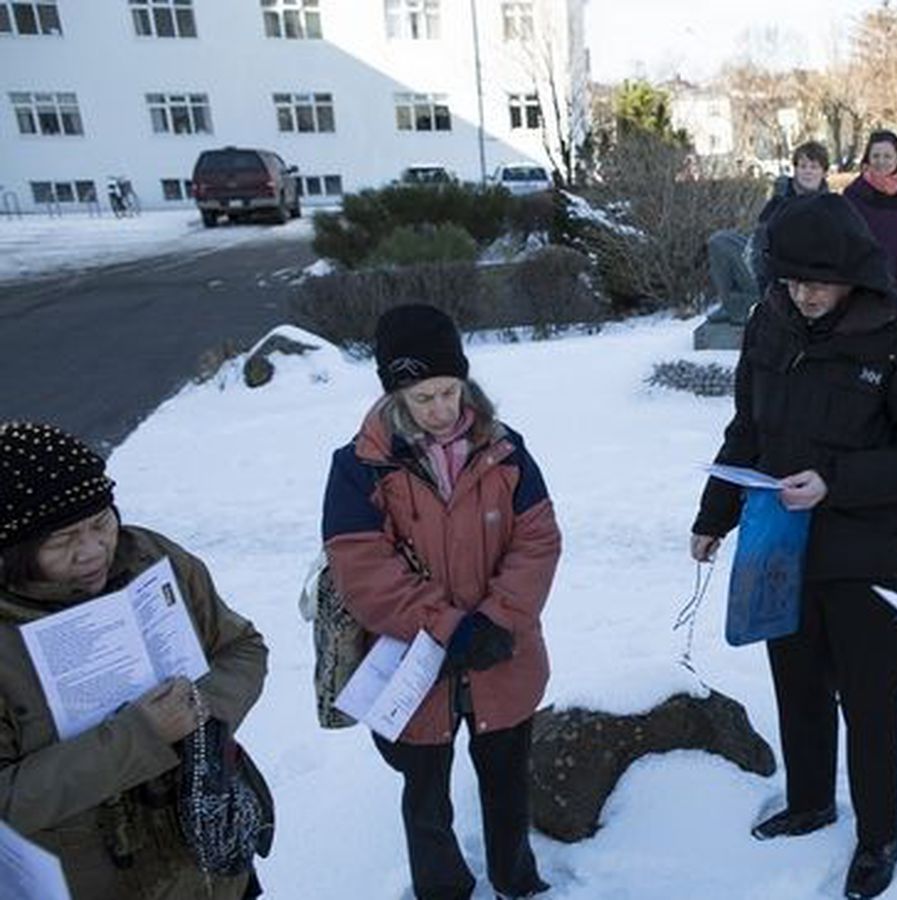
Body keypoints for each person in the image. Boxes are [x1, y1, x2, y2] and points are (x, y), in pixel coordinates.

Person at [691, 193, 897, 899]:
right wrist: (714, 513)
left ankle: (880, 835)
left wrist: (836, 482)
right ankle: (810, 799)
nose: (803, 295)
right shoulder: (769, 319)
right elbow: (746, 424)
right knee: (798, 683)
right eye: (790, 280)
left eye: (816, 281)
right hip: (781, 542)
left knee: (872, 703)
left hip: (867, 551)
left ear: (852, 273)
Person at [322, 304, 561, 900]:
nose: (440, 409)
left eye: (449, 392)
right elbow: (362, 568)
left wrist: (497, 618)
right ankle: (442, 888)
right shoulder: (358, 468)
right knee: (424, 794)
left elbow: (538, 540)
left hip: (501, 652)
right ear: (395, 395)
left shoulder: (507, 451)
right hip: (412, 664)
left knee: (507, 780)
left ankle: (516, 879)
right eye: (422, 397)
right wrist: (446, 627)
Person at [0, 421, 269, 899]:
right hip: (93, 881)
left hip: (213, 868)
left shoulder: (153, 558)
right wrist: (141, 735)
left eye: (101, 522)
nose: (92, 551)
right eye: (63, 541)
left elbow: (242, 648)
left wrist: (199, 708)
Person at [707, 140, 832, 325]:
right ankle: (732, 304)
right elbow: (761, 229)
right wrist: (778, 200)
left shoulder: (829, 204)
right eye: (803, 166)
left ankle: (749, 306)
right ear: (795, 170)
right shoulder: (782, 194)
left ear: (823, 172)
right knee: (720, 242)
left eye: (814, 167)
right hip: (761, 262)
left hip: (792, 278)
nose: (808, 171)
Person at [843, 129, 897, 303]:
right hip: (862, 288)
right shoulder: (853, 195)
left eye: (888, 156)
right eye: (876, 156)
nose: (881, 161)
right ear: (868, 158)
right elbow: (845, 245)